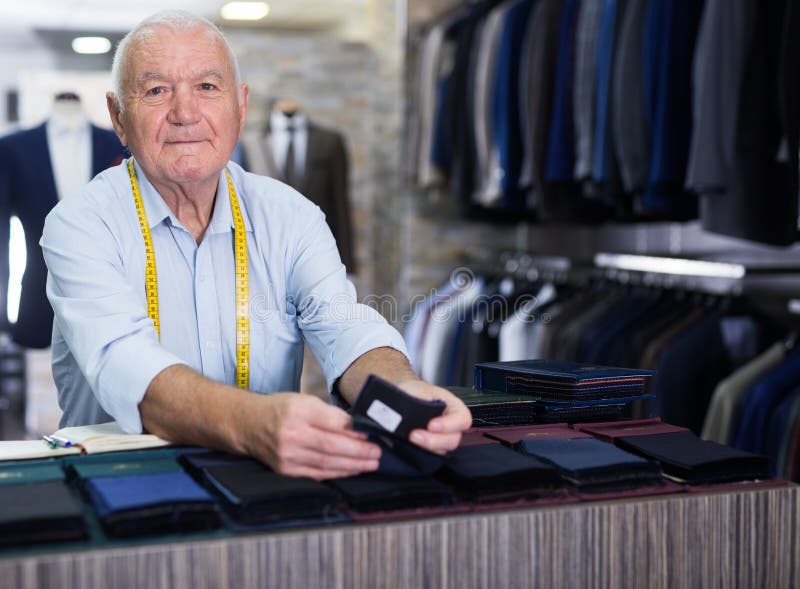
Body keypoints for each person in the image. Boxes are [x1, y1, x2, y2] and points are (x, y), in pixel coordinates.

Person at [40, 10, 471, 481]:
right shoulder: (80, 224)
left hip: (262, 483)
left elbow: (344, 328)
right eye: (156, 90)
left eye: (207, 87)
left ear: (240, 108)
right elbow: (126, 365)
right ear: (118, 117)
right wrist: (253, 422)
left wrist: (405, 393)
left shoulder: (292, 216)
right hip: (118, 482)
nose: (185, 113)